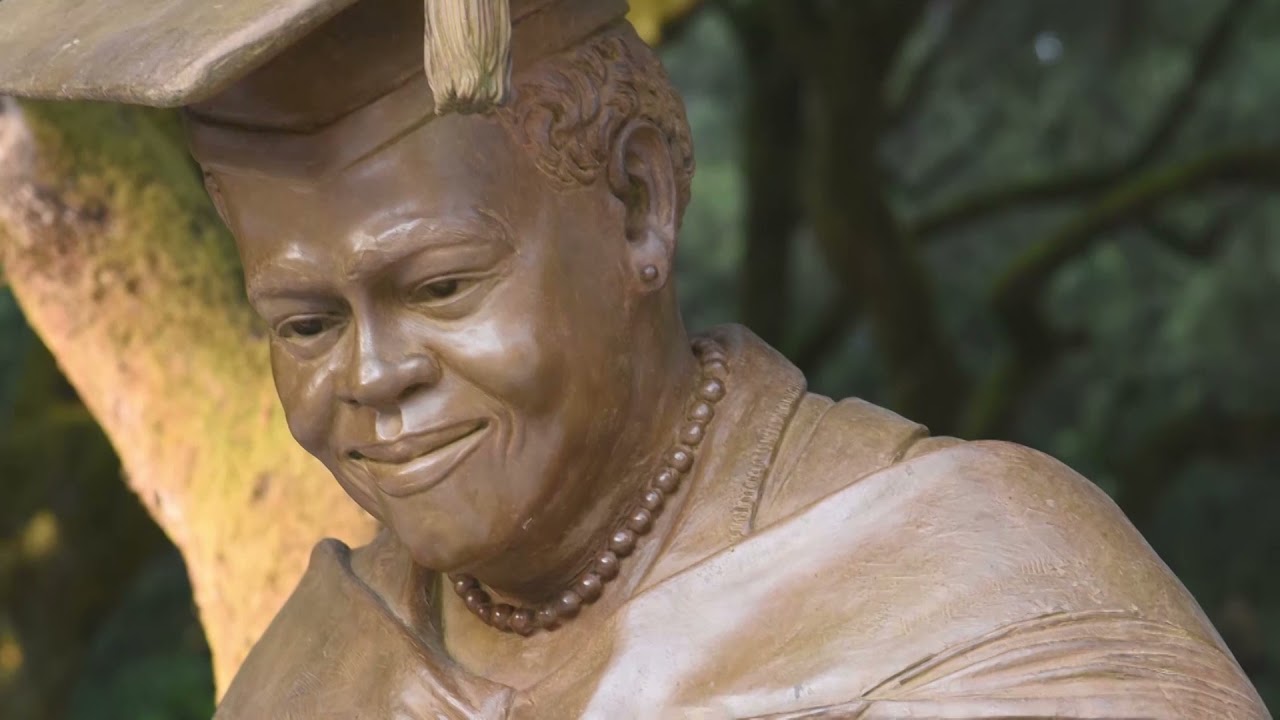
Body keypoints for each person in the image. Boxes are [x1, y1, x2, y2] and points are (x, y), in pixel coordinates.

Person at [0, 0, 1268, 717]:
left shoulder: (974, 593)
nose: (373, 375)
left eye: (440, 286)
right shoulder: (317, 673)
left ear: (639, 204)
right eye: (304, 323)